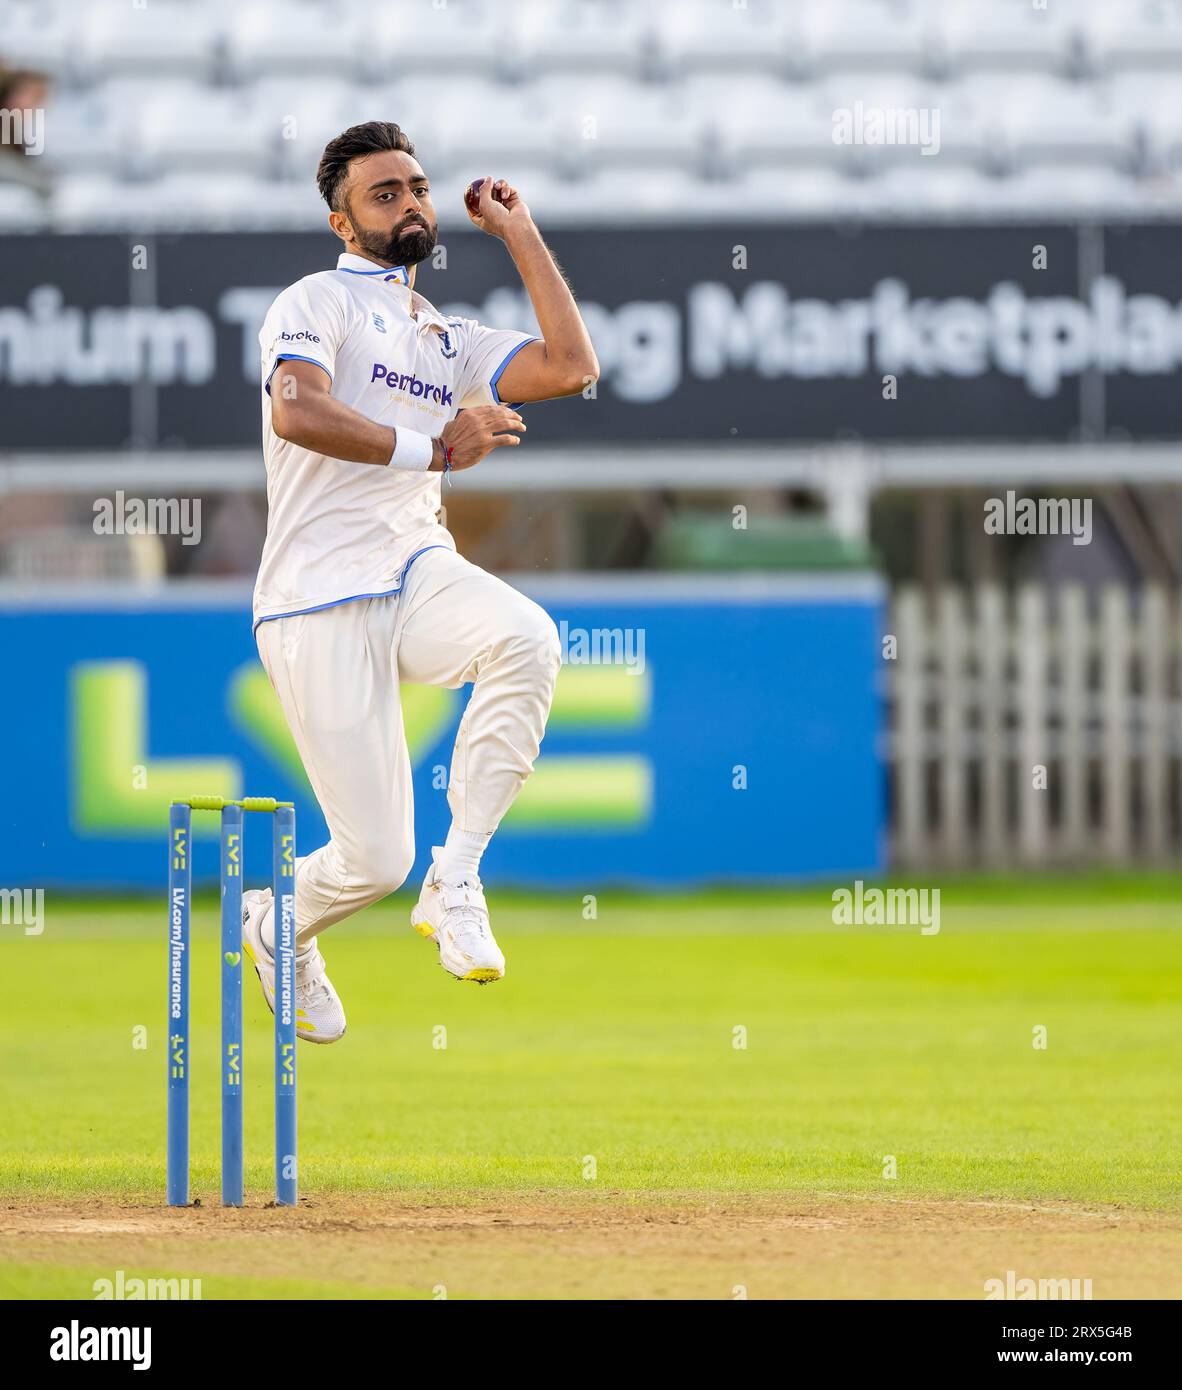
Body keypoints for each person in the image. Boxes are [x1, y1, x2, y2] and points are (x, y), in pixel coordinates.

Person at [241, 121, 599, 1042]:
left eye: (417, 188)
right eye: (384, 193)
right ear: (341, 221)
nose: (409, 204)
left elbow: (572, 367)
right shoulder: (314, 299)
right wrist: (433, 449)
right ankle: (276, 924)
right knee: (372, 859)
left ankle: (462, 874)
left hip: (414, 571)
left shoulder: (445, 335)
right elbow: (296, 409)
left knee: (525, 637)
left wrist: (520, 234)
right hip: (313, 597)